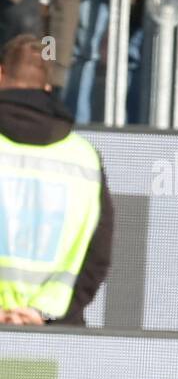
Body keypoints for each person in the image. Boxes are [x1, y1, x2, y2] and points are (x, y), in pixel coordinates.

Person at [0, 33, 112, 326]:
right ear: (48, 88)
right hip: (55, 339)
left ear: (1, 74)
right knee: (33, 376)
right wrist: (42, 312)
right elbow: (97, 256)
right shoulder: (84, 157)